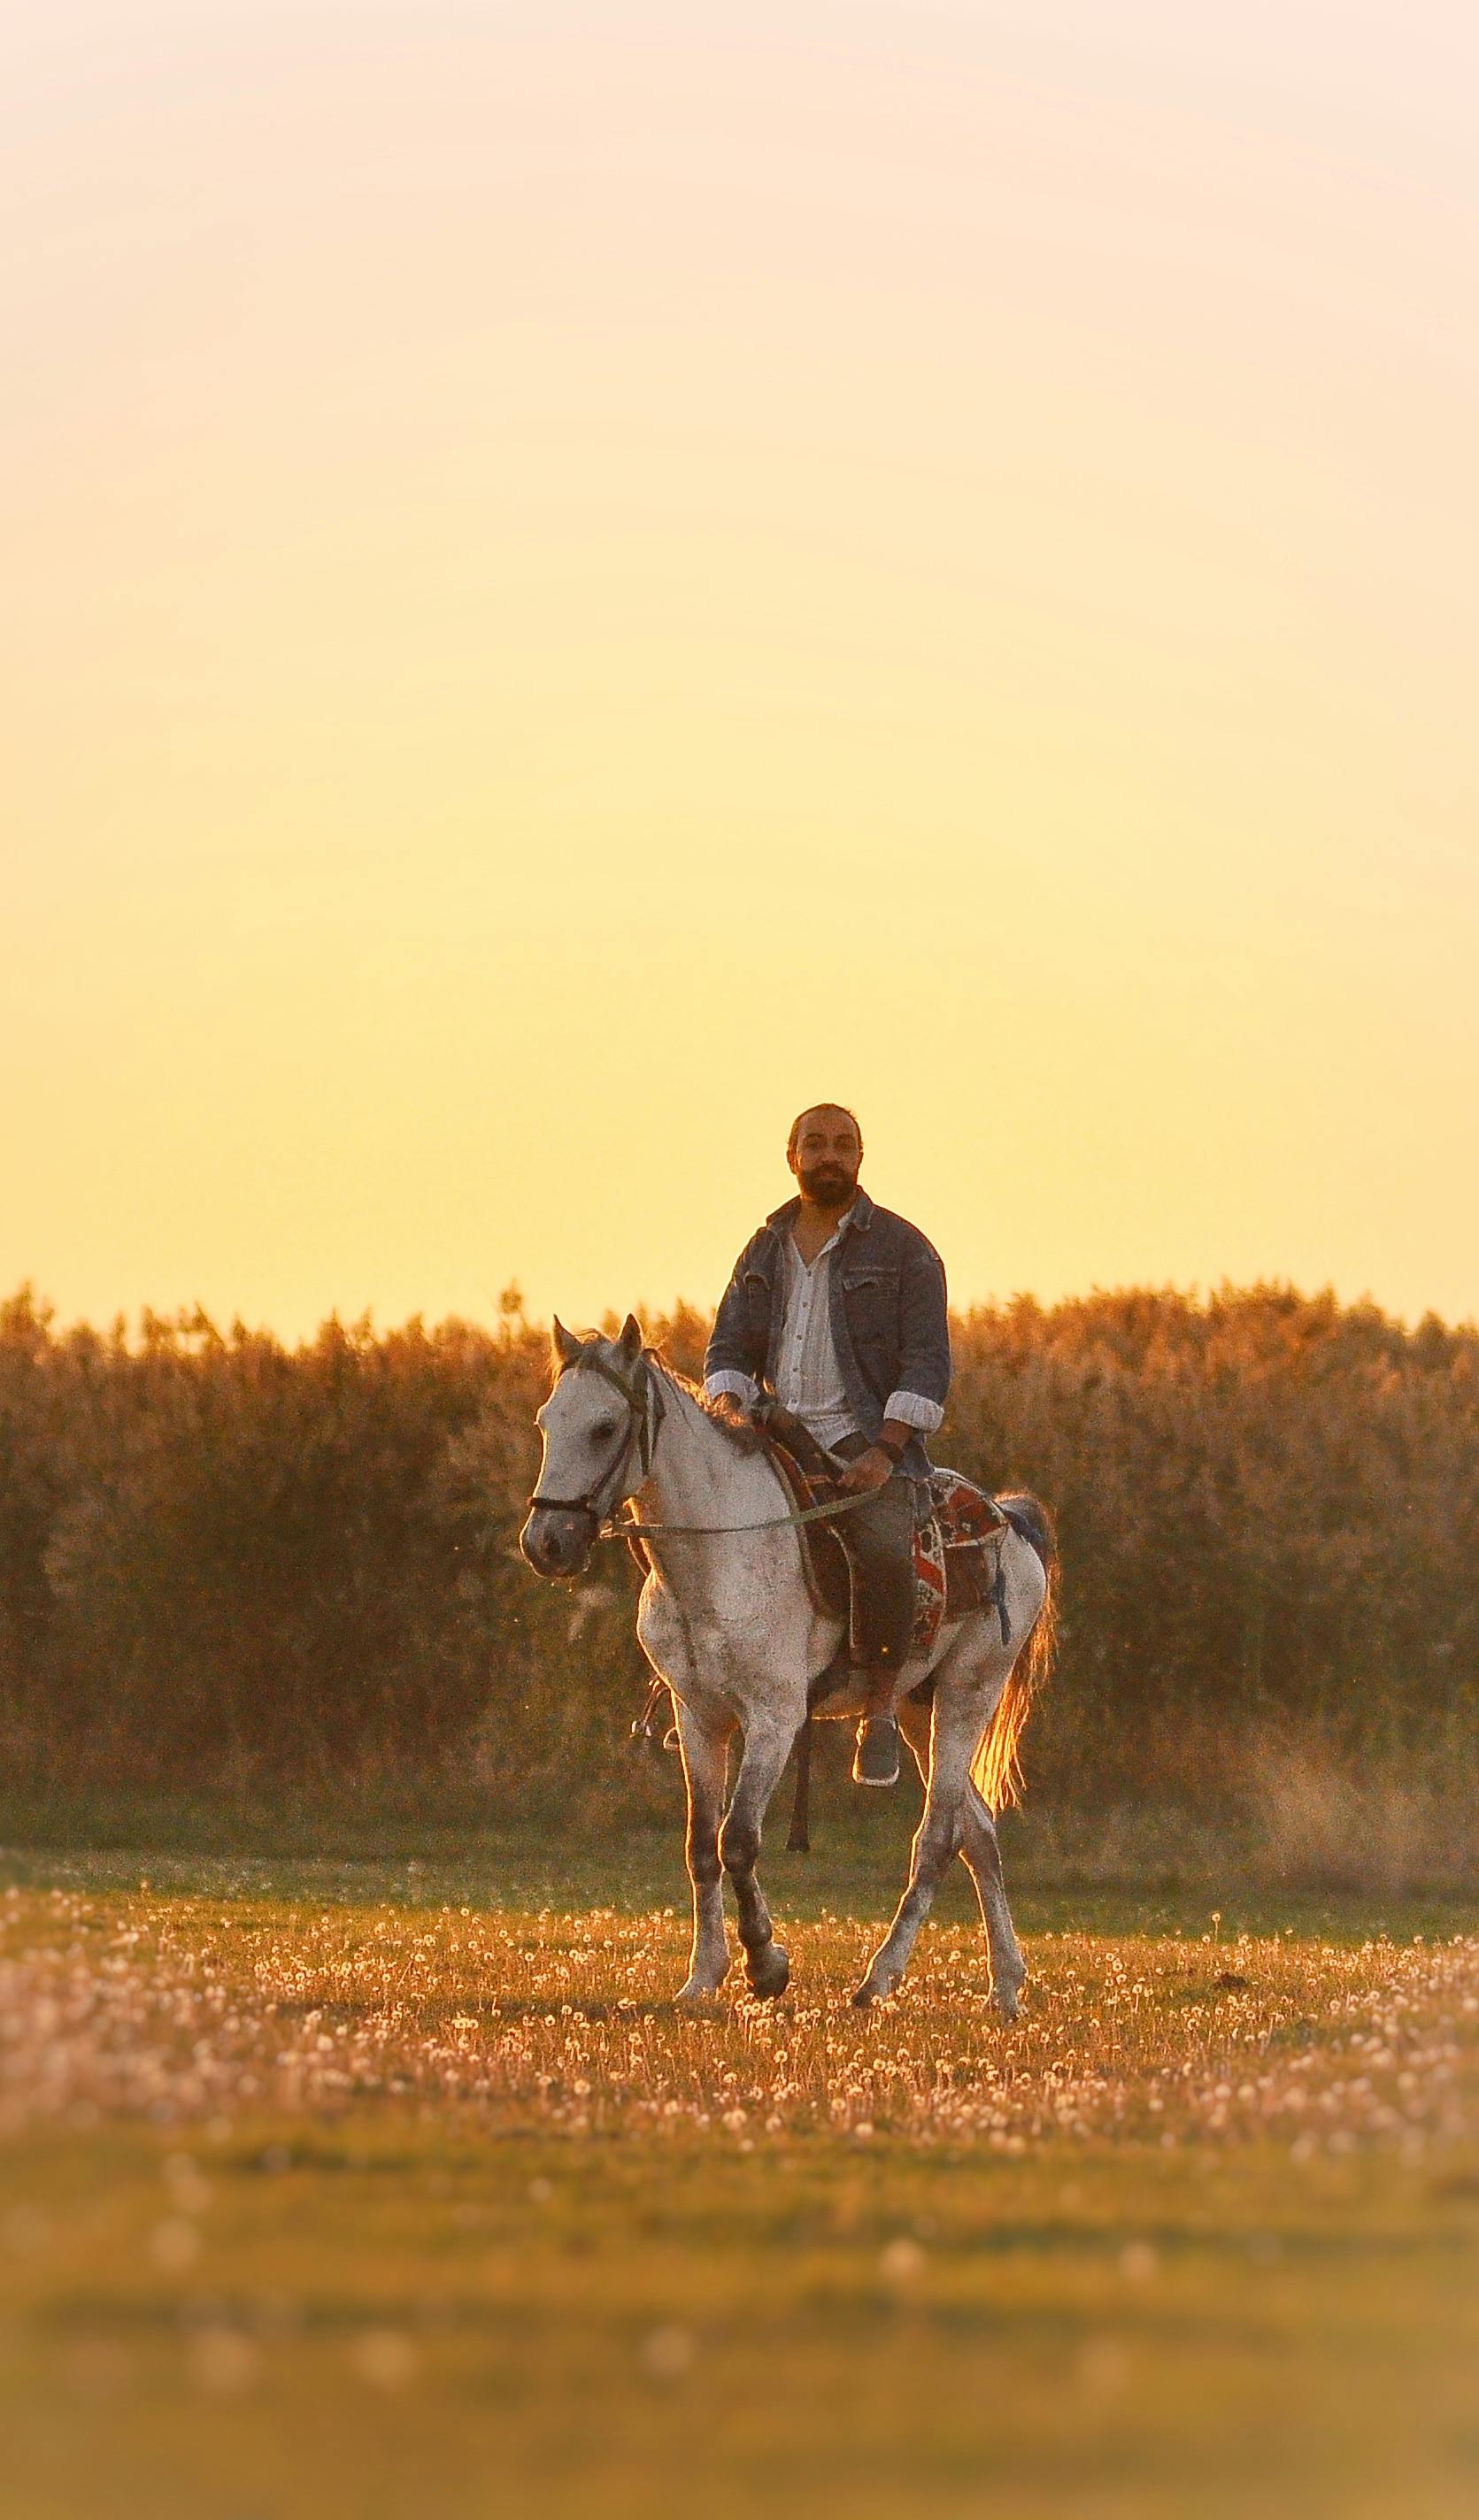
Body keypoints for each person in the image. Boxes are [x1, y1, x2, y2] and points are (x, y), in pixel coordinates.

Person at [703, 1102, 951, 1787]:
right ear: (790, 1157)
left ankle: (878, 1711)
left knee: (880, 1545)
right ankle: (700, 1689)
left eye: (842, 1145)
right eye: (814, 1145)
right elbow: (728, 1345)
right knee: (705, 1531)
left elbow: (927, 1362)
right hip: (775, 1435)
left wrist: (886, 1451)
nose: (828, 1157)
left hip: (858, 1440)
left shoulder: (905, 1250)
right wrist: (730, 1408)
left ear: (860, 1159)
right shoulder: (762, 1248)